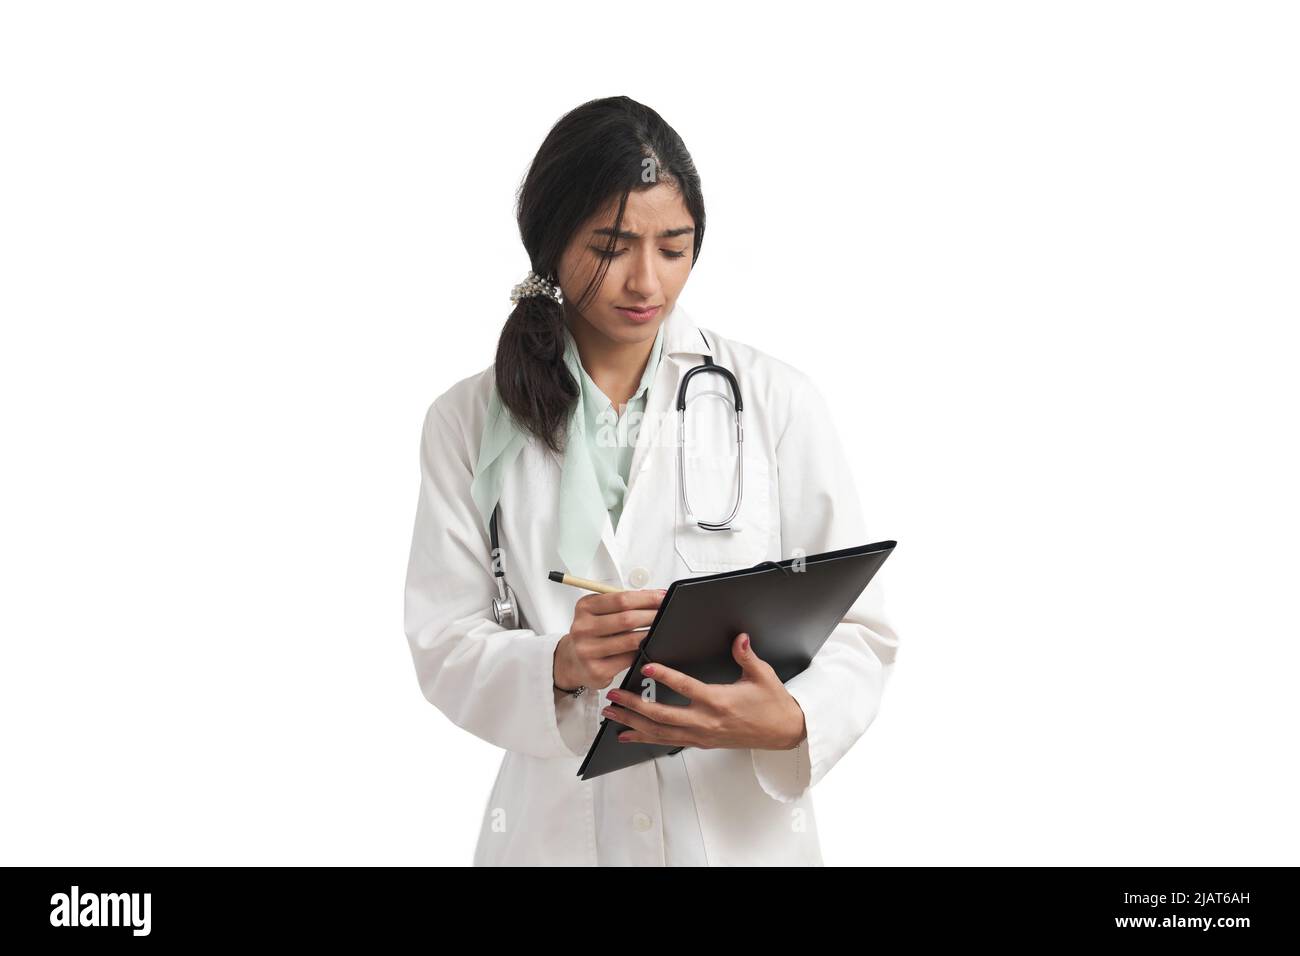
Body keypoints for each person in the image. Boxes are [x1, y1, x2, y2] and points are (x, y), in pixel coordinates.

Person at [403, 95, 899, 866]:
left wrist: (792, 718)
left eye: (674, 247)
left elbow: (859, 626)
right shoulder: (467, 422)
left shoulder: (776, 401)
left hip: (738, 840)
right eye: (611, 245)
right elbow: (442, 640)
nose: (646, 281)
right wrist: (558, 665)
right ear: (551, 240)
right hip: (555, 836)